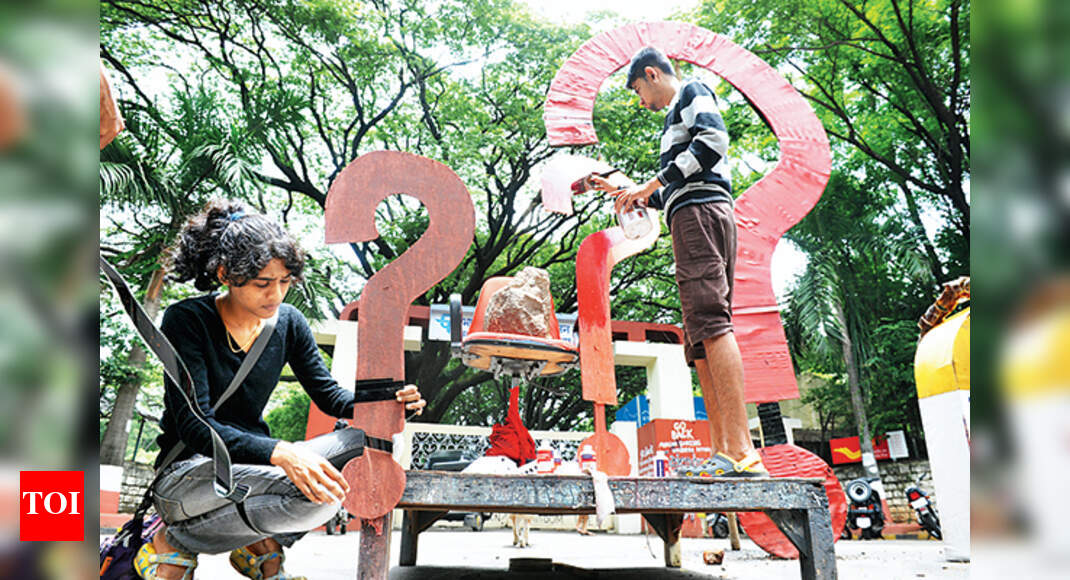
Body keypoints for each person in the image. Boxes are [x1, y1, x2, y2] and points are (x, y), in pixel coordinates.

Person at [134, 200, 426, 580]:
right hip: (190, 473)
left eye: (285, 282)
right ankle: (178, 539)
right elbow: (195, 426)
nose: (276, 295)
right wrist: (281, 453)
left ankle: (248, 540)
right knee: (320, 499)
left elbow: (331, 397)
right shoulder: (186, 320)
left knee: (365, 445)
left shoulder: (288, 323)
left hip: (253, 469)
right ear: (225, 273)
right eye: (262, 284)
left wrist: (390, 404)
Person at [588, 47, 767, 477]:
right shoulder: (674, 118)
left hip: (701, 214)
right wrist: (628, 192)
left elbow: (713, 142)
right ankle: (724, 449)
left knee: (710, 320)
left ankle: (741, 450)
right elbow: (672, 186)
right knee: (700, 335)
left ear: (651, 74)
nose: (640, 100)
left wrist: (655, 181)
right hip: (691, 214)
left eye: (637, 90)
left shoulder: (692, 90)